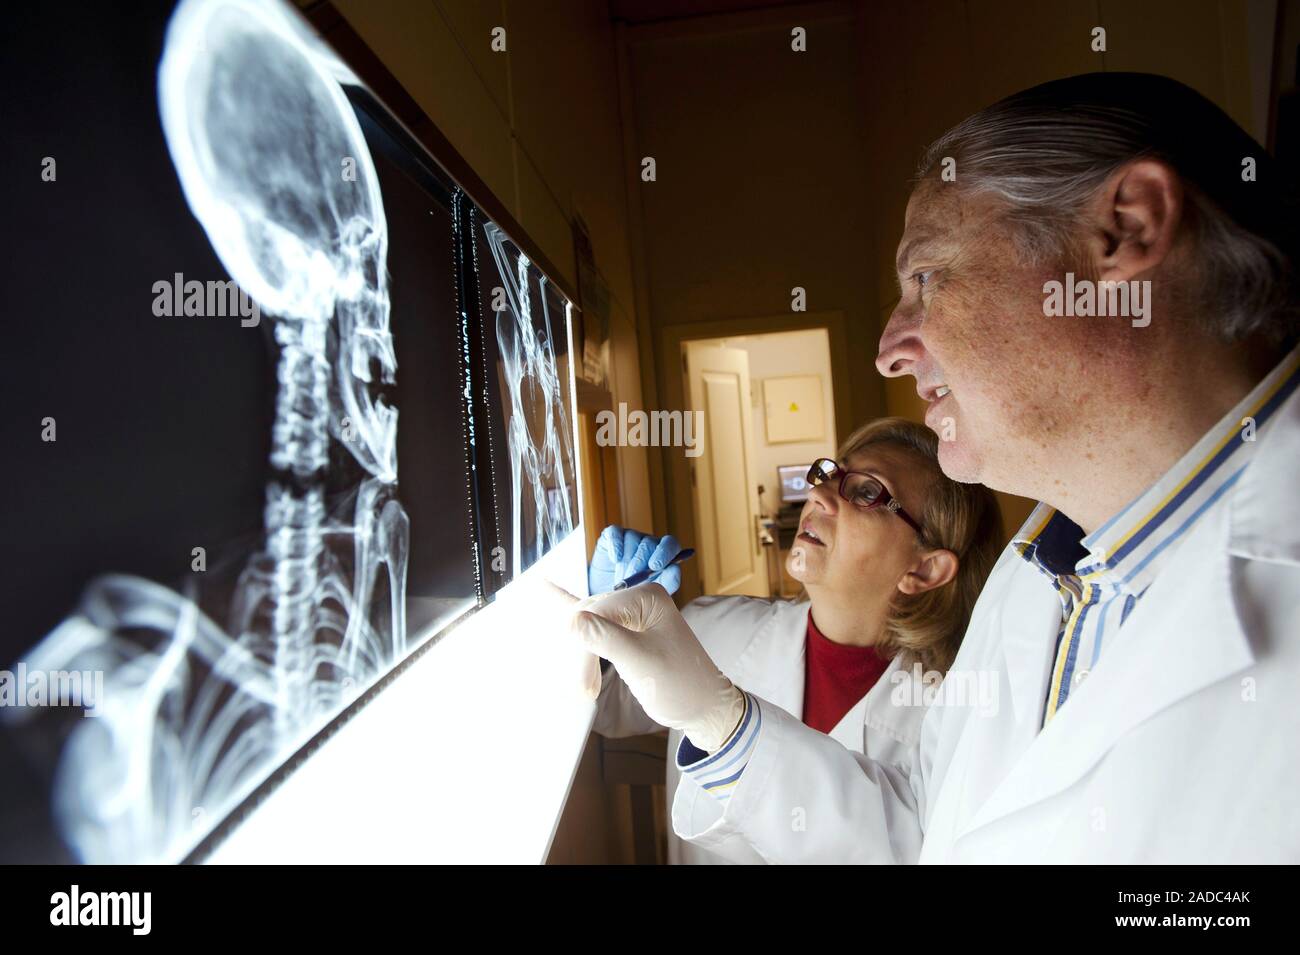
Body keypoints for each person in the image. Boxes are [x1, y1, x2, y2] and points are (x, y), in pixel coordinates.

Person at [570, 72, 1300, 862]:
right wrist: (719, 721)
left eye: (925, 277)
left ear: (1126, 229)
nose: (890, 346)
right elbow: (926, 835)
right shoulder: (1040, 580)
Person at [587, 418, 1001, 863]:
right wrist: (599, 619)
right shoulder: (710, 628)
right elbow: (604, 708)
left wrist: (719, 719)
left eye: (866, 493)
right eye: (831, 475)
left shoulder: (956, 716)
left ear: (924, 570)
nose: (818, 495)